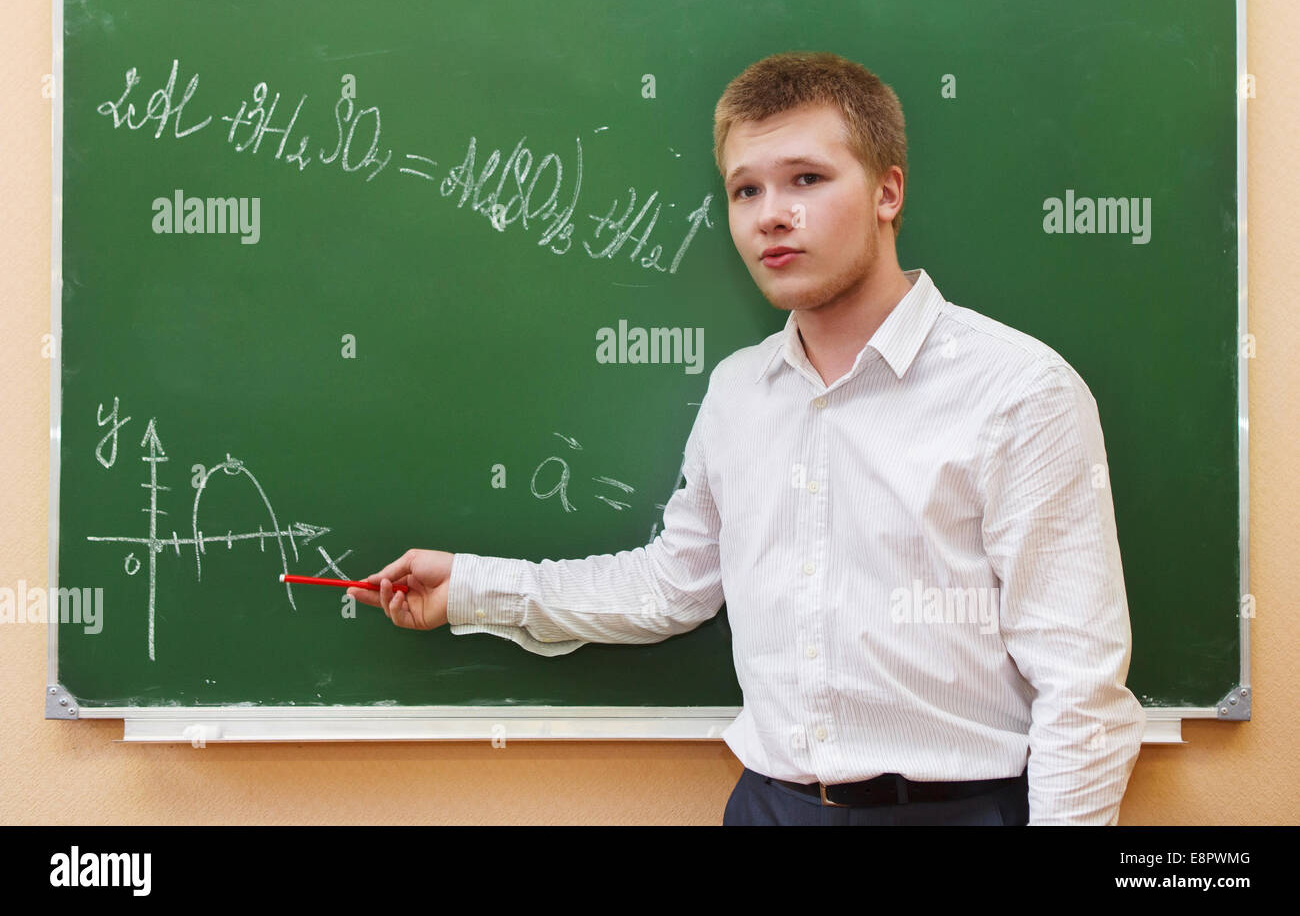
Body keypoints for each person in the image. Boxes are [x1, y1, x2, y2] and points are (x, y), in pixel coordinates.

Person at [349, 51, 1146, 826]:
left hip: (955, 807)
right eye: (745, 189)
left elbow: (1080, 687)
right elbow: (671, 585)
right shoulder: (738, 391)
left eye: (807, 178)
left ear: (887, 191)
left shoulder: (1018, 391)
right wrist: (470, 586)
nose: (771, 213)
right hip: (769, 803)